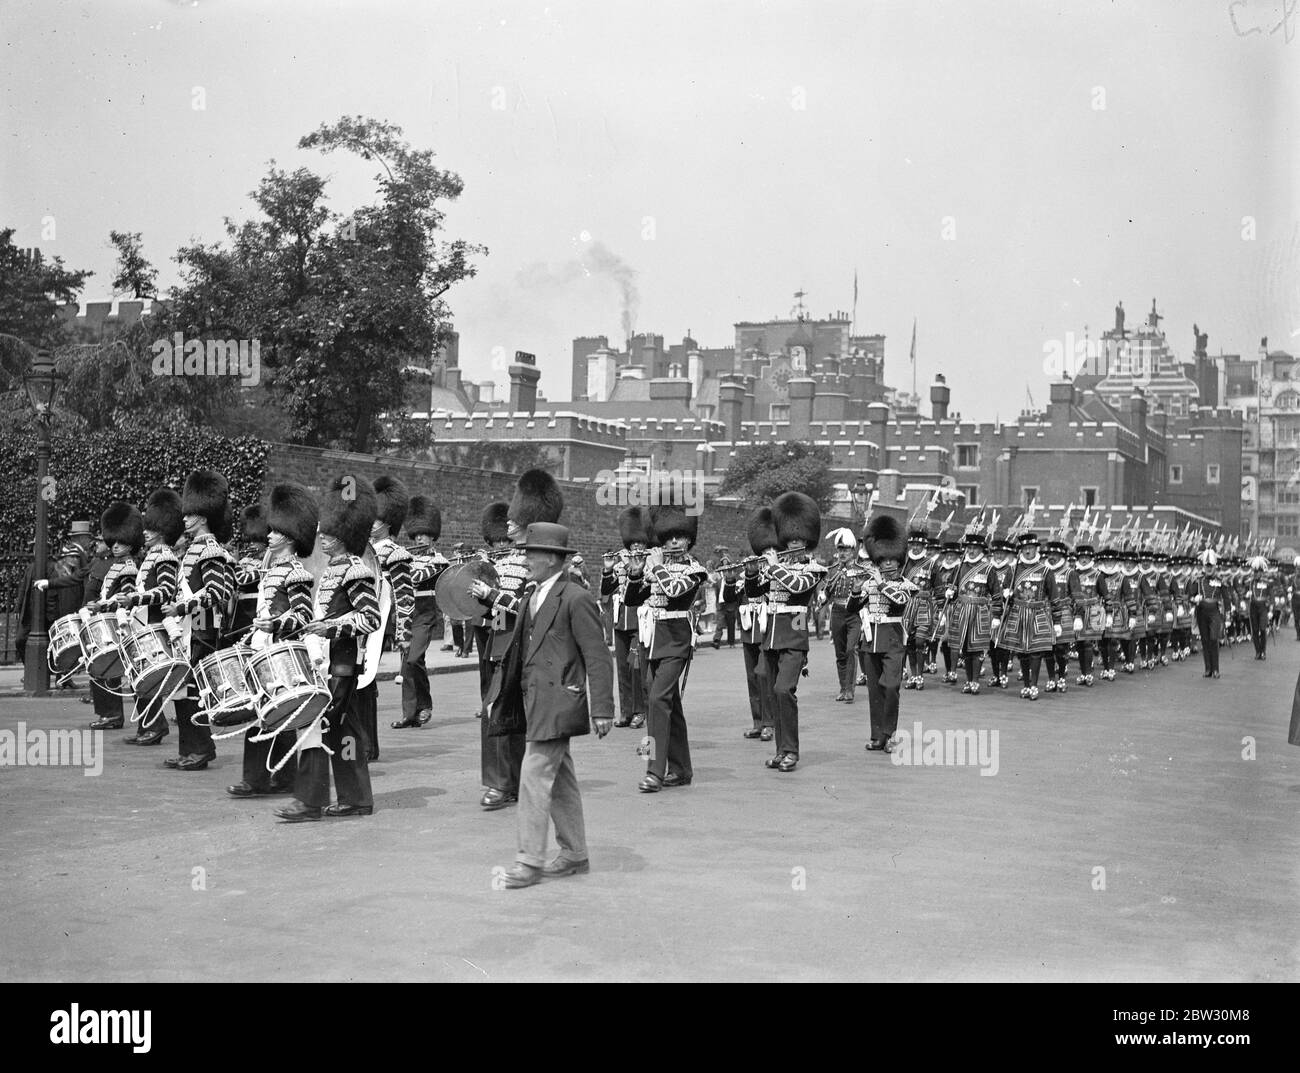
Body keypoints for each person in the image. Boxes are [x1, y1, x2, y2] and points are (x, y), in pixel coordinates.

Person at [494, 522, 615, 889]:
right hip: (537, 700)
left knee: (532, 777)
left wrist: (603, 708)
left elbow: (597, 655)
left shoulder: (576, 597)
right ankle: (575, 853)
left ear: (550, 558)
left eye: (531, 553)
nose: (525, 559)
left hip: (561, 699)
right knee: (560, 781)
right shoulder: (533, 594)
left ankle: (528, 861)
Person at [276, 475, 381, 821]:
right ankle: (355, 798)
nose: (322, 536)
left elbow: (370, 619)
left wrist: (332, 628)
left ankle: (311, 800)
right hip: (330, 662)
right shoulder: (334, 569)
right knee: (342, 729)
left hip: (343, 664)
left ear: (345, 533)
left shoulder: (355, 570)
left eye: (329, 532)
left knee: (314, 723)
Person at [470, 470, 563, 810]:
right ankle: (501, 781)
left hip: (527, 646)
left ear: (528, 520)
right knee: (496, 711)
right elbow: (499, 609)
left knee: (521, 716)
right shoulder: (508, 559)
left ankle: (514, 781)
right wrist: (479, 598)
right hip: (501, 643)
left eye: (514, 519)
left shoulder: (538, 561)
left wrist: (492, 595)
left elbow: (529, 607)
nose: (507, 523)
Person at [226, 482, 317, 798]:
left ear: (289, 536)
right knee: (272, 714)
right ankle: (280, 777)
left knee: (269, 714)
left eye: (275, 532)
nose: (269, 535)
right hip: (265, 647)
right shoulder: (272, 568)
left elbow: (304, 616)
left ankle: (258, 780)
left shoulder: (296, 573)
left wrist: (277, 623)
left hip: (281, 651)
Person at [622, 498, 708, 791]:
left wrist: (655, 567)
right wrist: (635, 574)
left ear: (688, 539)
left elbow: (673, 592)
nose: (672, 541)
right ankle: (682, 769)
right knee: (666, 702)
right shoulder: (653, 566)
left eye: (679, 536)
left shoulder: (695, 569)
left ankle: (654, 770)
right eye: (668, 536)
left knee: (658, 701)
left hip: (676, 641)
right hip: (652, 640)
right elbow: (632, 600)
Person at [160, 470, 236, 771]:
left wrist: (180, 608)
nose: (185, 519)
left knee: (194, 692)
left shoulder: (211, 549)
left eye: (190, 514)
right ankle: (189, 748)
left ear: (202, 517)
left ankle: (201, 749)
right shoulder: (195, 548)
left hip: (202, 629)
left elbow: (217, 592)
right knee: (183, 692)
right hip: (189, 628)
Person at [753, 492, 824, 774]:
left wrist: (773, 568)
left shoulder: (814, 568)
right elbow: (753, 592)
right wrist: (752, 573)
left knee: (784, 691)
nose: (795, 543)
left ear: (807, 541)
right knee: (772, 692)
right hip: (770, 635)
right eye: (791, 539)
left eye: (800, 540)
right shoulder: (775, 565)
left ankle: (791, 751)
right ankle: (781, 751)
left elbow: (797, 586)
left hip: (794, 635)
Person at [117, 488, 184, 745]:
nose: (144, 532)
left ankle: (155, 727)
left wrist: (136, 598)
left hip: (155, 624)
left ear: (162, 529)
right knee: (138, 678)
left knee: (148, 679)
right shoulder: (151, 556)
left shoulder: (165, 555)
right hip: (142, 621)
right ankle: (148, 726)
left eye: (151, 528)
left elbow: (166, 591)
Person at [81, 502, 144, 729]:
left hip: (121, 624)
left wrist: (101, 606)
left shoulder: (128, 567)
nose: (115, 546)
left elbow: (126, 596)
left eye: (121, 542)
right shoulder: (117, 565)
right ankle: (111, 714)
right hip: (112, 620)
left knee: (111, 669)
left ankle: (114, 715)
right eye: (113, 541)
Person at [365, 476, 414, 760]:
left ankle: (369, 744)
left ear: (388, 522)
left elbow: (404, 597)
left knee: (367, 680)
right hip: (361, 620)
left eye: (379, 518)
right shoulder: (362, 549)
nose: (373, 522)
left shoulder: (397, 554)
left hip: (382, 623)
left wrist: (404, 633)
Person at [393, 494, 448, 729]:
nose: (418, 539)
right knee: (407, 663)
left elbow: (416, 578)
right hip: (405, 615)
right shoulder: (405, 559)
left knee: (414, 659)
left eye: (423, 535)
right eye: (415, 535)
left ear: (432, 537)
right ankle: (409, 714)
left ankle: (425, 705)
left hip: (425, 615)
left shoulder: (440, 561)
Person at [859, 515, 912, 753]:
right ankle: (878, 735)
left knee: (890, 687)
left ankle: (890, 733)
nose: (888, 564)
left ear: (899, 562)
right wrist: (855, 590)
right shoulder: (870, 583)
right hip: (871, 641)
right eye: (884, 560)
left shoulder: (906, 585)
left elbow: (899, 600)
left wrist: (880, 583)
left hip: (892, 640)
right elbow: (852, 608)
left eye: (892, 560)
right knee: (874, 690)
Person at [722, 513, 776, 742]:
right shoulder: (748, 573)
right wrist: (731, 579)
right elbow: (730, 598)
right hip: (749, 628)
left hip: (768, 627)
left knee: (764, 674)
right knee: (752, 677)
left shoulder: (775, 573)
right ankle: (757, 721)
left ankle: (770, 722)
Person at [601, 507, 650, 730]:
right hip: (621, 621)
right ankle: (627, 711)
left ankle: (641, 711)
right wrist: (607, 570)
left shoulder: (650, 563)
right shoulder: (621, 563)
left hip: (640, 620)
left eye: (640, 543)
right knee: (621, 668)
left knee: (636, 667)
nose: (636, 547)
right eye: (633, 543)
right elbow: (607, 590)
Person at [1002, 531, 1056, 700]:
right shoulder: (1013, 570)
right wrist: (1007, 594)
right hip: (1018, 613)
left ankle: (1034, 685)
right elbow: (1005, 590)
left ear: (1035, 549)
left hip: (1038, 613)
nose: (1027, 552)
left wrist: (1058, 620)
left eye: (1030, 548)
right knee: (1022, 652)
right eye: (1025, 548)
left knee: (1036, 651)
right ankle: (1025, 684)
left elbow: (1053, 596)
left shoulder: (1045, 571)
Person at [944, 531, 999, 695]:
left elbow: (996, 593)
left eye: (975, 548)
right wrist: (950, 593)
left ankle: (975, 680)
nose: (972, 551)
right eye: (969, 547)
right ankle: (968, 680)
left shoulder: (988, 569)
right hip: (961, 610)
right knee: (966, 649)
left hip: (979, 611)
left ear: (981, 549)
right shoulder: (959, 567)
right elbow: (952, 587)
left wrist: (996, 614)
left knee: (977, 648)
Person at [821, 527, 865, 703]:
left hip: (853, 614)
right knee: (840, 653)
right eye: (840, 549)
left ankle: (850, 690)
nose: (842, 553)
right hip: (837, 613)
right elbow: (825, 591)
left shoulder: (860, 570)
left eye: (846, 549)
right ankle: (843, 688)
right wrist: (822, 595)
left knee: (850, 650)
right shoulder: (832, 570)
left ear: (852, 551)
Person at [900, 527, 938, 691]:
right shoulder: (904, 562)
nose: (915, 547)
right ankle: (913, 674)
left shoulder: (931, 564)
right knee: (908, 642)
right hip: (907, 604)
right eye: (913, 544)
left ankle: (921, 675)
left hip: (924, 605)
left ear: (924, 547)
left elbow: (938, 587)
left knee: (920, 641)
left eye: (918, 545)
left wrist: (941, 607)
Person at [1190, 549, 1227, 678]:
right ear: (1204, 567)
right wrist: (1194, 599)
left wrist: (1227, 616)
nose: (1209, 568)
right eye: (1207, 566)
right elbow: (1190, 595)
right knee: (1205, 641)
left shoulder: (1220, 580)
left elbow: (1226, 598)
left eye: (1211, 566)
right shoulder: (1198, 580)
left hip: (1215, 612)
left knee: (1213, 639)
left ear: (1215, 566)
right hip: (1201, 612)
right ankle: (1208, 668)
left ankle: (1216, 669)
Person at [711, 546, 739, 648]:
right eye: (723, 564)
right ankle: (716, 641)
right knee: (719, 623)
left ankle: (731, 643)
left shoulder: (733, 578)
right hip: (721, 603)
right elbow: (716, 591)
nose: (725, 566)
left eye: (726, 564)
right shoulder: (718, 579)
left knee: (731, 624)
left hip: (730, 603)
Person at [1246, 556, 1273, 660]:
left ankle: (1263, 651)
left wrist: (1271, 609)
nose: (1256, 574)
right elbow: (1242, 589)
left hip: (1263, 608)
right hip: (1253, 608)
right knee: (1255, 630)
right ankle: (1257, 651)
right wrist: (1247, 594)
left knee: (1262, 629)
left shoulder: (1267, 583)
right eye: (1255, 572)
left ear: (1262, 572)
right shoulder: (1250, 582)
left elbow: (1271, 597)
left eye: (1258, 572)